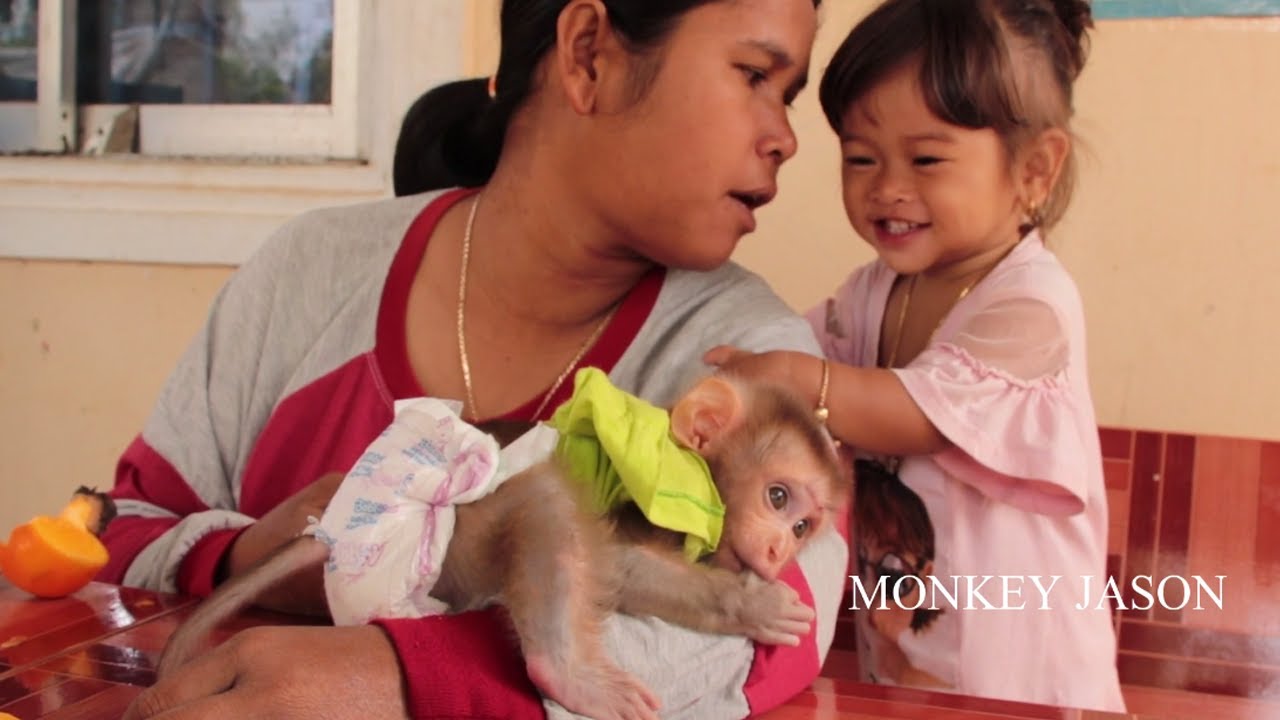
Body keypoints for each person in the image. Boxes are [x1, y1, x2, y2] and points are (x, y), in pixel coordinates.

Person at [108, 1, 845, 719]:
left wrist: (399, 678)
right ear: (588, 53)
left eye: (788, 96)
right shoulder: (309, 270)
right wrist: (248, 555)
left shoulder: (743, 362)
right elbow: (122, 531)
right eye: (754, 75)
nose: (786, 137)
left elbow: (778, 630)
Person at [705, 0, 1125, 711]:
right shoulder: (878, 292)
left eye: (926, 159)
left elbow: (914, 413)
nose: (887, 187)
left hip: (1027, 689)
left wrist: (788, 379)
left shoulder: (1031, 307)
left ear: (1034, 169)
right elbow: (798, 344)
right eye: (860, 158)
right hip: (907, 669)